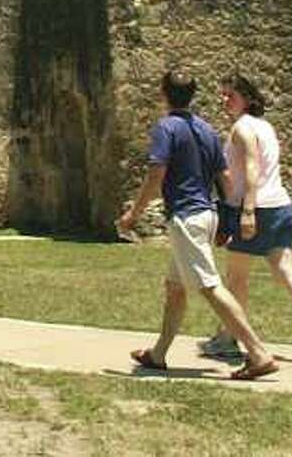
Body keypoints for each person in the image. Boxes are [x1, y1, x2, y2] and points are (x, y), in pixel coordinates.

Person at [118, 69, 279, 380]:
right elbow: (226, 179)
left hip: (186, 219)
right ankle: (158, 354)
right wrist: (229, 218)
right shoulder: (206, 129)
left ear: (163, 93)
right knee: (175, 288)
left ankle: (258, 353)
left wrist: (133, 213)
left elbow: (156, 174)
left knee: (210, 287)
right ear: (193, 96)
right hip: (206, 215)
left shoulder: (166, 127)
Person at [198, 73, 292, 366]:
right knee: (286, 273)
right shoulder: (265, 126)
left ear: (247, 99)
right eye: (223, 94)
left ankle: (228, 338)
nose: (225, 100)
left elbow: (252, 167)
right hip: (280, 207)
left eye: (231, 95)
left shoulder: (242, 128)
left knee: (236, 279)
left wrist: (248, 211)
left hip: (256, 209)